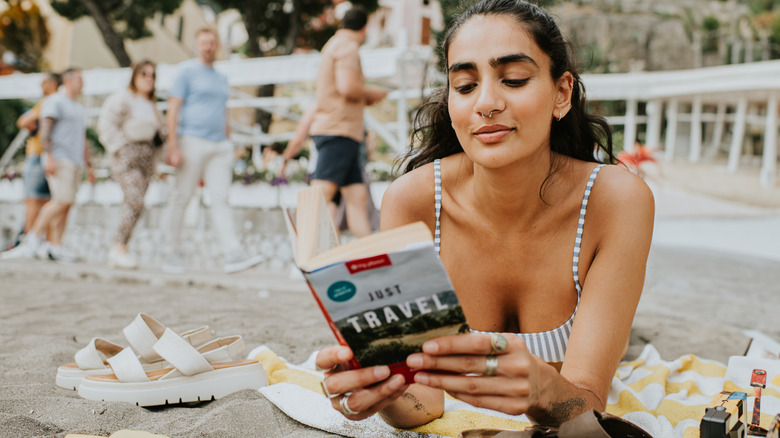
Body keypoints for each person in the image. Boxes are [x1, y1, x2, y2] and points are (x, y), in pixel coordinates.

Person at [314, 0, 654, 429]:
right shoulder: (413, 202)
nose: (486, 103)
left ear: (561, 92)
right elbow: (424, 402)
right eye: (465, 85)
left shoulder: (615, 200)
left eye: (513, 79)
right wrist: (383, 391)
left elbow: (585, 402)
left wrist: (542, 389)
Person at [163, 28, 263, 274]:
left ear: (216, 46)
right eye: (204, 42)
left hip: (219, 145)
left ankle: (232, 253)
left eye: (212, 43)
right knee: (181, 196)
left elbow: (222, 110)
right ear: (197, 45)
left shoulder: (221, 77)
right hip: (191, 140)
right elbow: (173, 109)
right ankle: (170, 251)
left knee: (221, 198)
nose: (208, 47)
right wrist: (173, 145)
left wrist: (228, 141)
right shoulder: (186, 71)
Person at [307, 7, 387, 238]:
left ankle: (369, 258)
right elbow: (346, 87)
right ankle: (304, 254)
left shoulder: (334, 44)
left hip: (344, 132)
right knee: (322, 195)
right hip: (338, 130)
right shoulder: (347, 47)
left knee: (356, 197)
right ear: (364, 28)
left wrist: (363, 96)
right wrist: (373, 93)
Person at [2, 68, 94, 262]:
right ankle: (32, 239)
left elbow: (82, 137)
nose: (83, 83)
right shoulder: (55, 101)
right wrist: (48, 155)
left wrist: (89, 163)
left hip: (75, 161)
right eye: (80, 79)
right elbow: (46, 129)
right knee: (61, 200)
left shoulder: (78, 107)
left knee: (66, 204)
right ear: (68, 80)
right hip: (60, 158)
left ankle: (56, 246)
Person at [97, 60, 164, 269]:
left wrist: (160, 163)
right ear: (135, 75)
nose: (148, 78)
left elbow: (159, 138)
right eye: (143, 74)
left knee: (137, 203)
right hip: (127, 155)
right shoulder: (122, 99)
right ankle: (118, 247)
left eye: (152, 75)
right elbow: (106, 125)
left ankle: (121, 247)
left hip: (147, 159)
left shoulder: (153, 107)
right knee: (134, 199)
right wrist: (120, 148)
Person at [11, 72, 61, 248]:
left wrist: (34, 128)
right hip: (53, 155)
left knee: (32, 200)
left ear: (52, 83)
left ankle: (27, 241)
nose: (41, 86)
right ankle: (46, 243)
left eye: (44, 82)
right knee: (48, 200)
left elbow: (22, 121)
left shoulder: (48, 101)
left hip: (38, 153)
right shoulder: (60, 101)